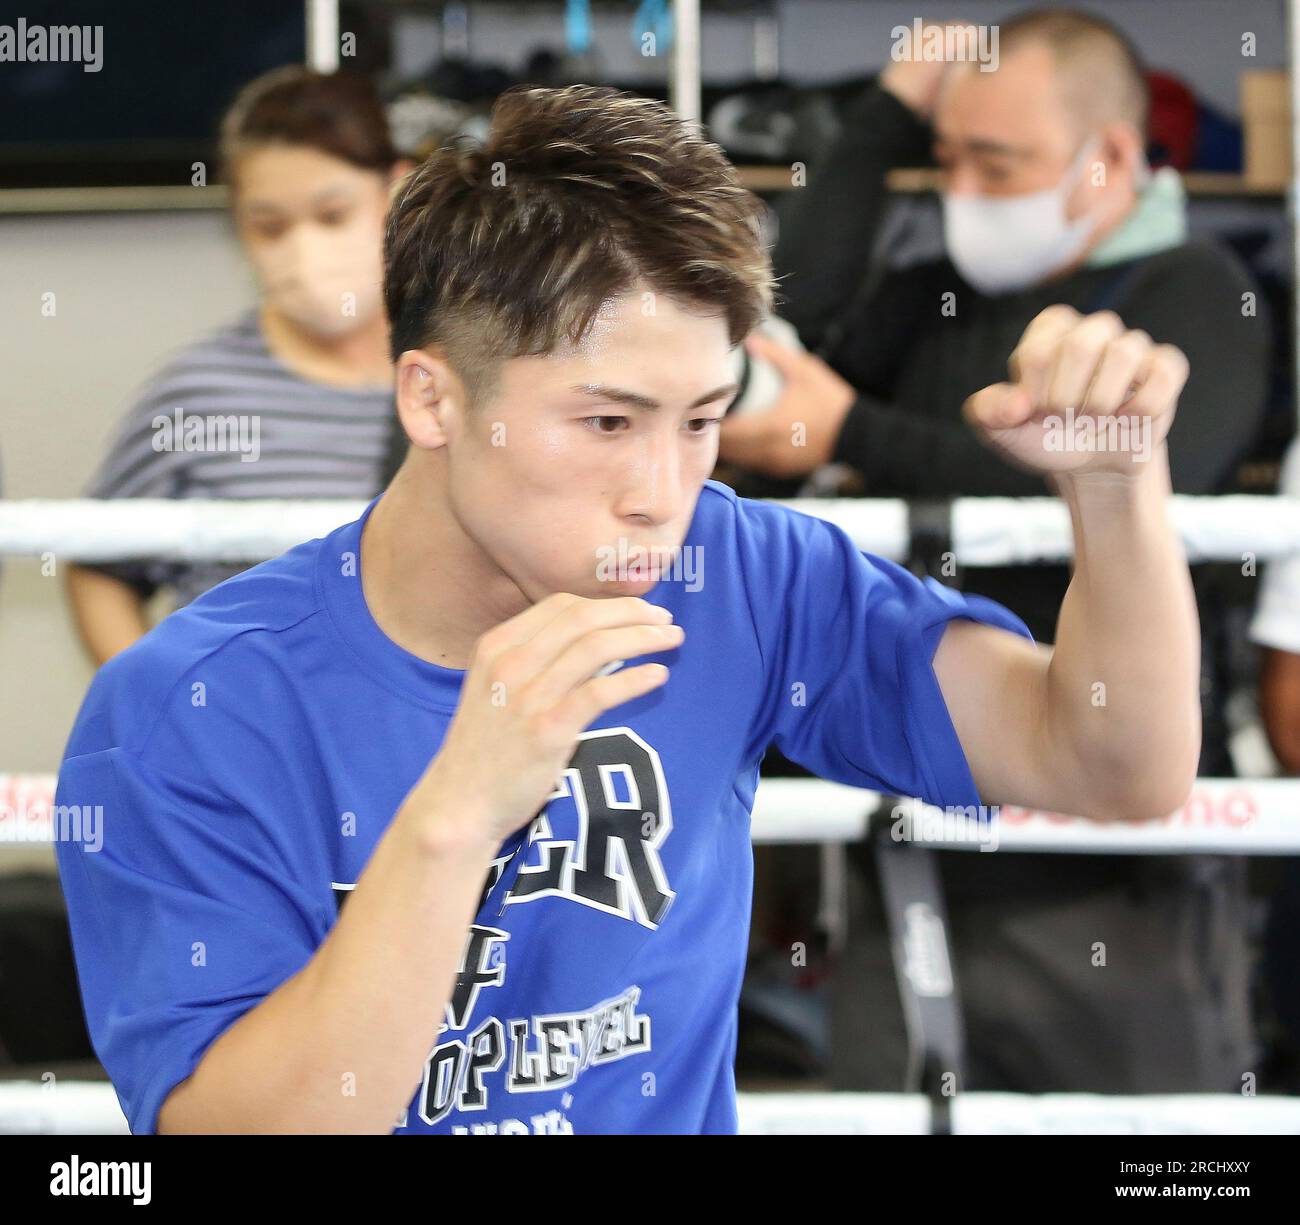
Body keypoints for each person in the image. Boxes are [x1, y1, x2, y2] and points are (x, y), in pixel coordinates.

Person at [54, 83, 1199, 1136]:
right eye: (606, 423)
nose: (662, 492)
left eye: (699, 419)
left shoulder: (740, 573)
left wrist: (1114, 493)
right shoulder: (192, 705)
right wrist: (453, 821)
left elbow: (1114, 765)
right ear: (432, 397)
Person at [720, 9, 1265, 1093]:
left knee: (1140, 1149)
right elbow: (779, 339)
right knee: (887, 1107)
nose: (963, 183)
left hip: (1107, 866)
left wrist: (855, 437)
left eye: (995, 159)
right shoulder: (942, 295)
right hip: (920, 817)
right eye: (949, 154)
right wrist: (882, 120)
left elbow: (1154, 477)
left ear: (1106, 156)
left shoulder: (1191, 294)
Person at [66, 66, 412, 665]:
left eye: (333, 215)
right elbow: (100, 568)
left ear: (396, 193)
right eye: (269, 225)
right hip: (245, 744)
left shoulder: (465, 376)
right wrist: (158, 713)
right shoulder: (198, 394)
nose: (304, 250)